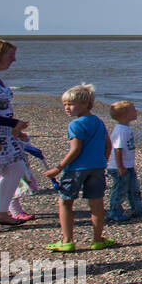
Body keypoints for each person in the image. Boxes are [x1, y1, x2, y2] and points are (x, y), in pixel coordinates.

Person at [42, 84, 112, 253]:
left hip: (76, 169)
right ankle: (97, 240)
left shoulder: (76, 125)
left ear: (85, 104)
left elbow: (75, 150)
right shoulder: (98, 122)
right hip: (97, 167)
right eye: (65, 104)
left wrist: (58, 168)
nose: (66, 108)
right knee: (96, 202)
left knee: (65, 202)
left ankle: (67, 240)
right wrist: (103, 161)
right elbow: (107, 145)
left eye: (70, 104)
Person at [0, 39, 31, 231]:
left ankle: (1, 212)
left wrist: (14, 128)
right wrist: (12, 123)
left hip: (3, 134)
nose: (14, 60)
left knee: (16, 168)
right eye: (10, 56)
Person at [106, 101, 142, 223]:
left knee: (133, 188)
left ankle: (137, 208)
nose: (136, 112)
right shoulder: (121, 130)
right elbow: (117, 150)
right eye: (133, 110)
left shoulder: (125, 128)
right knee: (120, 190)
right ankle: (114, 212)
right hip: (119, 167)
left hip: (128, 165)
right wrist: (120, 166)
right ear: (125, 115)